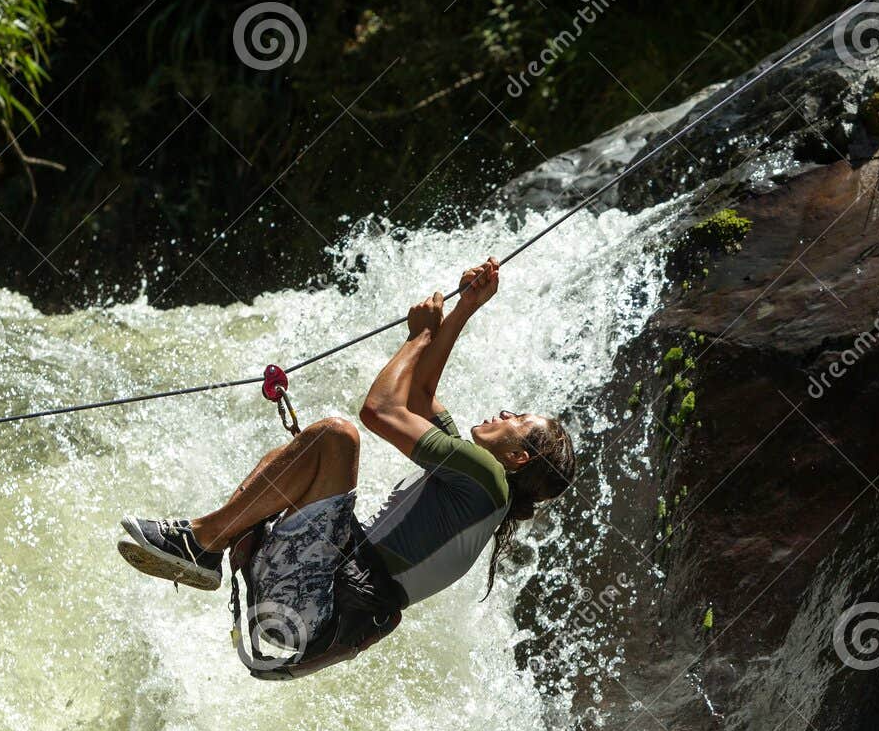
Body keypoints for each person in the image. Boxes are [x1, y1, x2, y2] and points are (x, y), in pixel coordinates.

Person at [118, 256, 576, 667]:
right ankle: (209, 542)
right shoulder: (478, 486)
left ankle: (205, 541)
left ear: (517, 456)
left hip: (309, 598)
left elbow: (379, 411)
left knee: (337, 438)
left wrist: (419, 337)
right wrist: (465, 309)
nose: (504, 413)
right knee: (309, 453)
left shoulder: (488, 477)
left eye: (516, 419)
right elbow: (420, 397)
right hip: (302, 604)